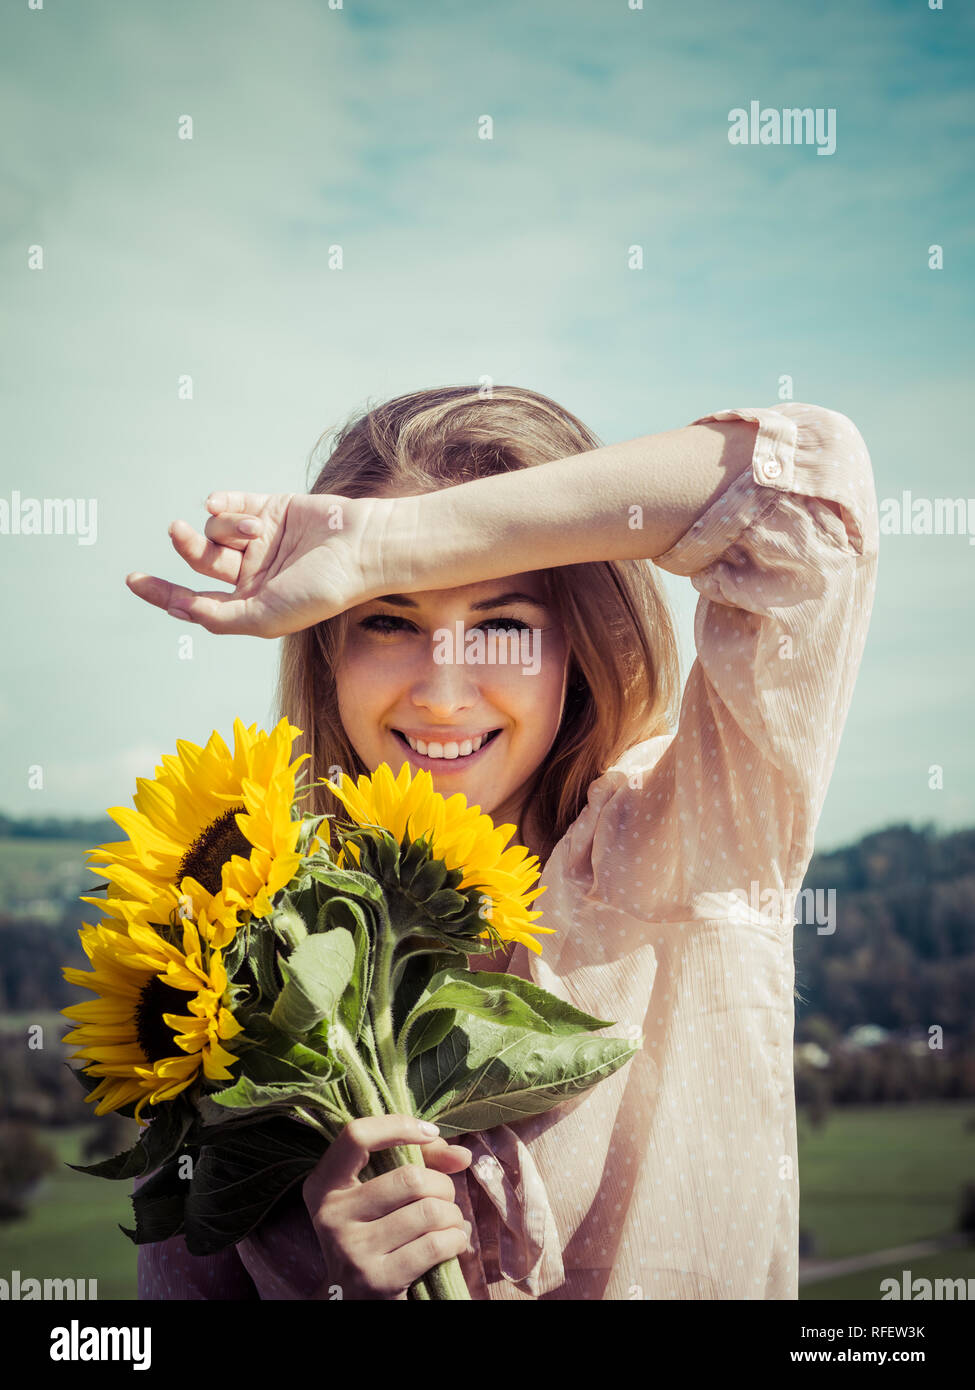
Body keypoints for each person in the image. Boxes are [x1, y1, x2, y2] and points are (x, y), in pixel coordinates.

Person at [126, 384, 878, 1299]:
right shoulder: (230, 958)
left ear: (582, 642)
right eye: (388, 617)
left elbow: (802, 490)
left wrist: (389, 544)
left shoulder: (685, 843)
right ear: (327, 647)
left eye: (503, 623)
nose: (444, 691)